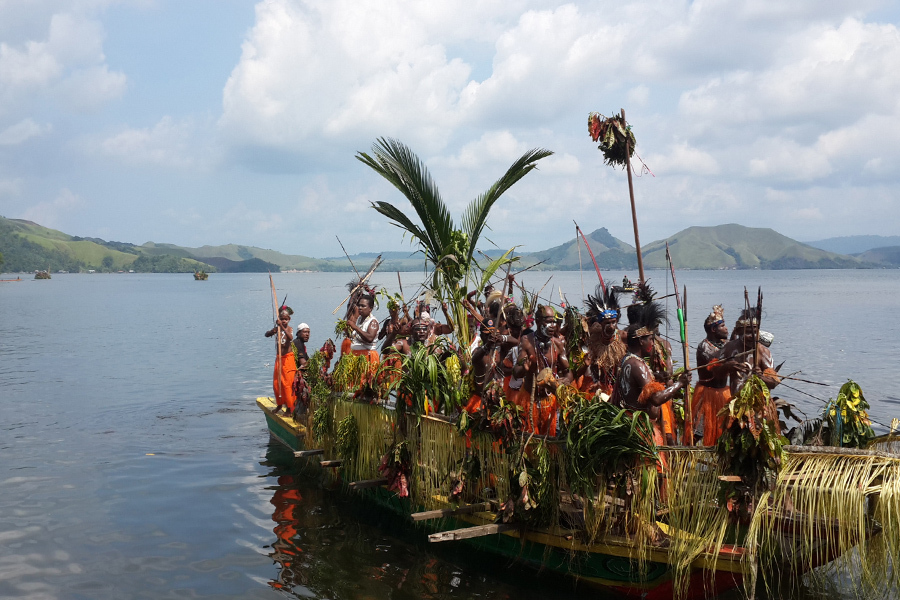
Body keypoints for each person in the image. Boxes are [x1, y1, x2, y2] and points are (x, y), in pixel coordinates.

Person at [612, 321, 691, 466]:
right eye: (650, 339)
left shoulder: (627, 360)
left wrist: (655, 376)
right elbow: (655, 399)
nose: (653, 343)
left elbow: (637, 385)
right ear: (641, 341)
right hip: (641, 429)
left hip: (631, 425)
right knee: (653, 470)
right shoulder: (638, 365)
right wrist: (680, 383)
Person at [514, 305, 570, 436]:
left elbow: (568, 371)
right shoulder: (527, 342)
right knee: (529, 442)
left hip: (549, 401)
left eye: (554, 322)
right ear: (538, 321)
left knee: (549, 444)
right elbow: (516, 371)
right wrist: (524, 369)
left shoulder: (558, 344)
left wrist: (566, 380)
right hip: (530, 400)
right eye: (548, 321)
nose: (553, 325)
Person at [691, 306, 735, 446]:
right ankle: (684, 456)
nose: (726, 328)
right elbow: (715, 365)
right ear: (713, 329)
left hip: (723, 393)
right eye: (723, 326)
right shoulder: (704, 347)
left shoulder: (725, 344)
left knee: (727, 430)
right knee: (698, 432)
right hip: (706, 395)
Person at [576, 286, 626, 399]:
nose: (611, 327)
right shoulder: (595, 339)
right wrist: (596, 380)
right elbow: (594, 363)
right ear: (601, 324)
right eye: (607, 323)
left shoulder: (623, 337)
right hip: (602, 389)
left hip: (620, 389)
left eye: (614, 322)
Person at [722, 307, 781, 396]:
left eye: (754, 332)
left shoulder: (763, 352)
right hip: (735, 404)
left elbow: (773, 383)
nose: (752, 336)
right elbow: (712, 371)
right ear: (738, 332)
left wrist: (760, 376)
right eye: (748, 332)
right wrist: (726, 366)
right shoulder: (729, 348)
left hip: (757, 405)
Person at [265, 306, 297, 415]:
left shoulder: (289, 329)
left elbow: (290, 337)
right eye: (282, 319)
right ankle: (279, 404)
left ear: (289, 320)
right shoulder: (277, 328)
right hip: (279, 359)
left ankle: (289, 407)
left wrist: (282, 327)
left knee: (287, 384)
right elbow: (266, 334)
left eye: (286, 319)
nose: (284, 321)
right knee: (277, 383)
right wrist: (273, 329)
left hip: (288, 359)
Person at [346, 294, 380, 371]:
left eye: (363, 306)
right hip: (356, 355)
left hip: (367, 357)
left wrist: (355, 327)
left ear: (370, 309)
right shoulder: (359, 319)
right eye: (359, 306)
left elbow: (370, 338)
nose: (360, 308)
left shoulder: (373, 322)